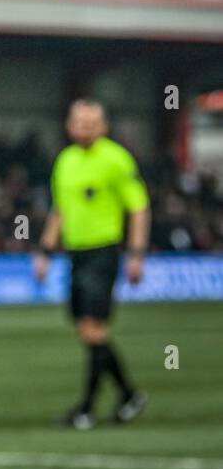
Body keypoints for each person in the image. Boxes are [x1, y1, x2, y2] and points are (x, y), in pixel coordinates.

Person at [34, 99, 150, 430]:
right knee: (89, 331)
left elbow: (139, 207)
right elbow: (60, 210)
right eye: (79, 122)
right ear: (69, 126)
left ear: (104, 127)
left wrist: (137, 254)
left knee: (92, 328)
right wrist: (45, 250)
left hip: (104, 252)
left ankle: (86, 409)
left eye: (92, 123)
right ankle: (129, 394)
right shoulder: (65, 161)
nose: (85, 128)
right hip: (76, 254)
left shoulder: (116, 159)